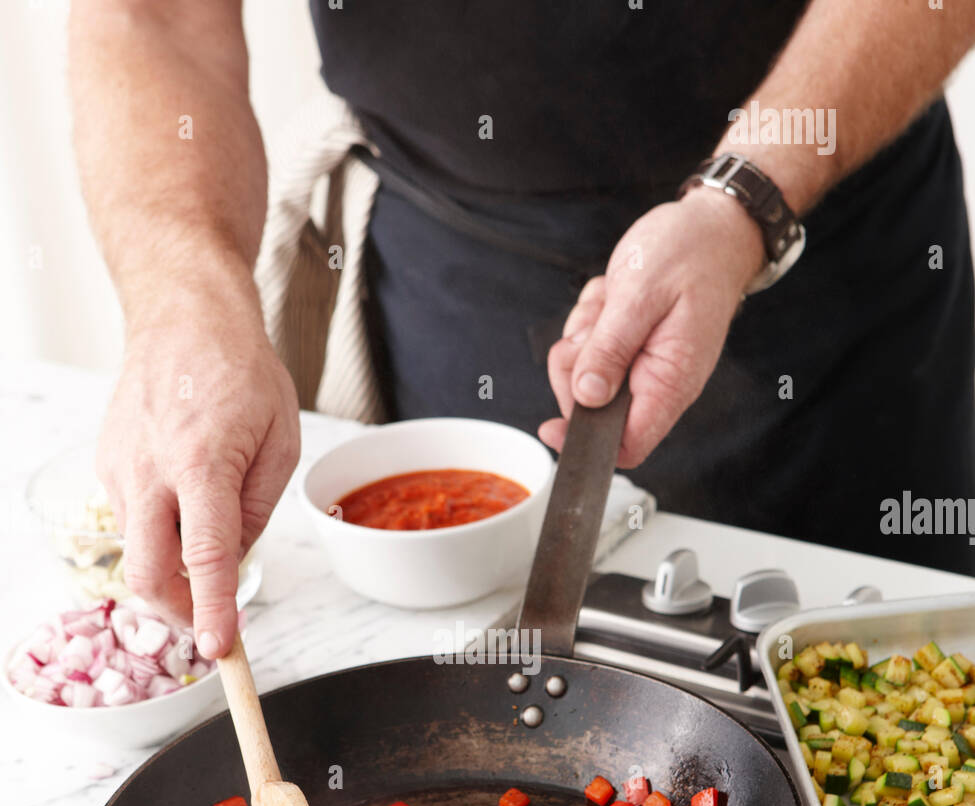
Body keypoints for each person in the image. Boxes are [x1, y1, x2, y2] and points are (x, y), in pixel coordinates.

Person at [70, 1, 975, 662]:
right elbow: (152, 17)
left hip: (817, 265)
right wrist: (184, 299)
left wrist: (742, 202)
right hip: (454, 269)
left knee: (881, 708)